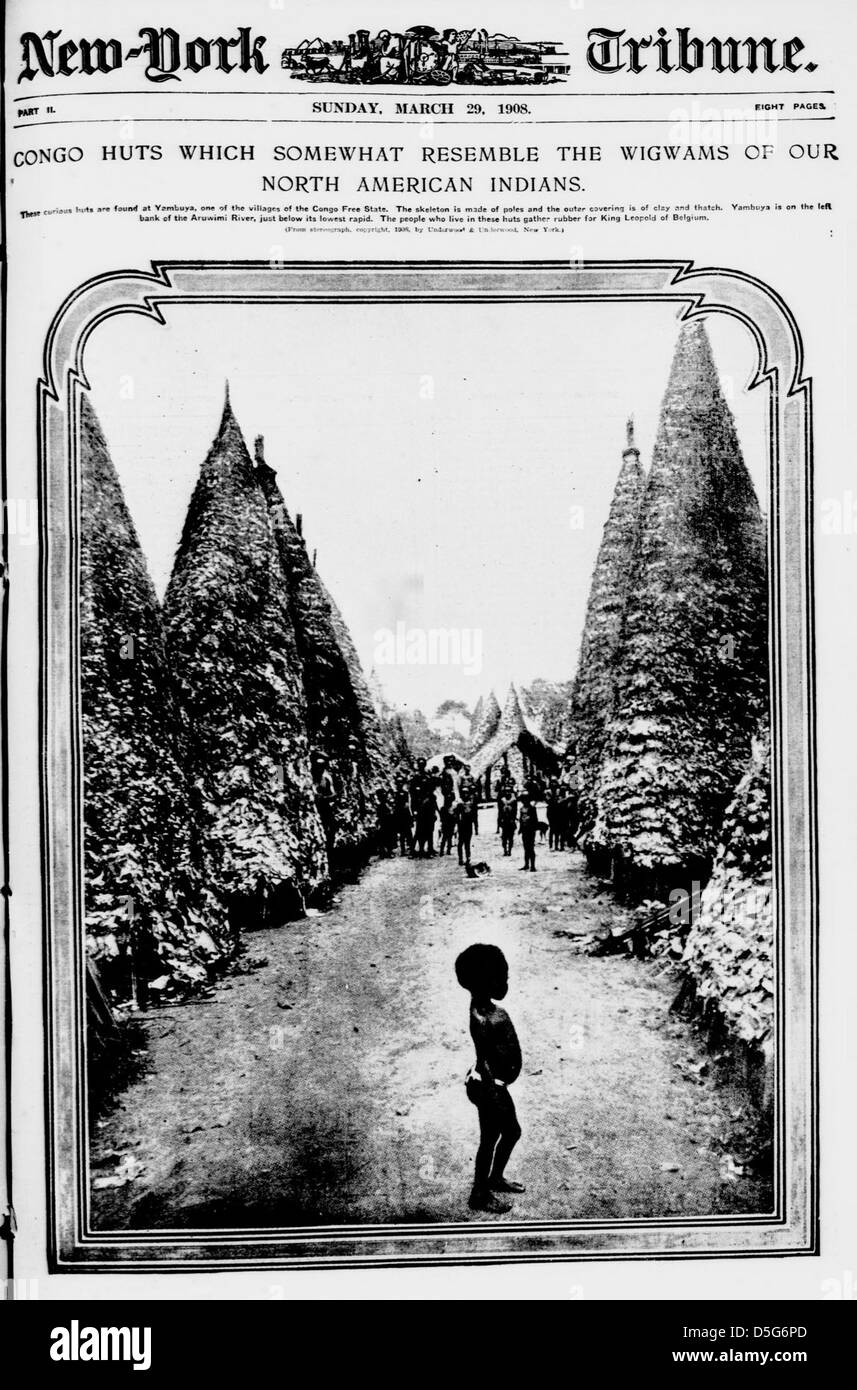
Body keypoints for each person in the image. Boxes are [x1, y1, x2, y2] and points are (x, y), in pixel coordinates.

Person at [454, 943, 524, 1214]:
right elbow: (484, 1059)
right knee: (493, 1137)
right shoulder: (482, 1017)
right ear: (486, 982)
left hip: (492, 1084)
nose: (506, 982)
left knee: (506, 1132)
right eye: (501, 978)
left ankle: (494, 1179)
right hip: (488, 1086)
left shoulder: (487, 1008)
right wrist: (494, 1095)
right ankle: (479, 1193)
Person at [393, 778, 414, 856]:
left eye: (401, 783)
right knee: (402, 835)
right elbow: (396, 806)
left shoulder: (405, 793)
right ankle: (403, 850)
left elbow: (407, 806)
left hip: (405, 815)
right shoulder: (396, 794)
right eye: (398, 783)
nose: (399, 784)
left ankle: (411, 849)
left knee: (408, 834)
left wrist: (410, 817)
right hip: (399, 816)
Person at [519, 793, 538, 871]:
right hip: (524, 830)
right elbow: (520, 819)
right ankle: (526, 864)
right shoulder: (522, 809)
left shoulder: (532, 808)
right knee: (526, 848)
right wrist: (520, 828)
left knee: (530, 848)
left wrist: (532, 827)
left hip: (530, 830)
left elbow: (535, 820)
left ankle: (532, 866)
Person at [497, 785, 518, 856]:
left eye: (509, 791)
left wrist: (514, 818)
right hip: (504, 820)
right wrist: (500, 820)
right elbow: (500, 811)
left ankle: (509, 850)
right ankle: (505, 850)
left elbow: (515, 810)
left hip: (511, 820)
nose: (507, 793)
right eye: (506, 791)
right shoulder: (502, 800)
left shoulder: (514, 800)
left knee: (511, 837)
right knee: (504, 837)